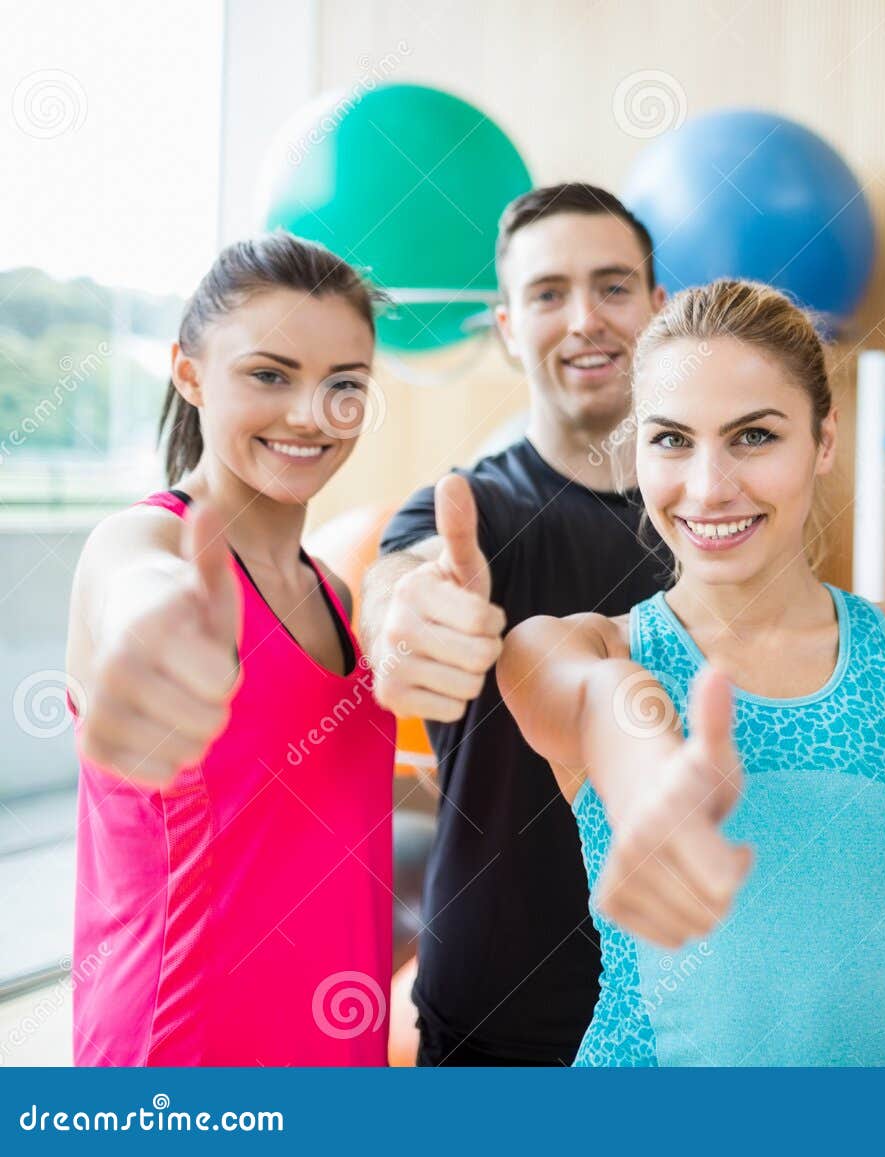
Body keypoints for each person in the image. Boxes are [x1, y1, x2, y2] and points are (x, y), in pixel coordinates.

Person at [497, 279, 885, 1065]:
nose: (709, 487)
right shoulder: (586, 649)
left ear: (825, 439)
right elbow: (594, 700)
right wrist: (644, 764)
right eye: (672, 439)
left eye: (754, 436)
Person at [362, 184, 674, 1065]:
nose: (585, 319)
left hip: (686, 1026)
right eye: (548, 294)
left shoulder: (721, 519)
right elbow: (404, 580)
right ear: (505, 324)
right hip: (494, 1029)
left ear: (657, 308)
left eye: (613, 287)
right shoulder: (477, 511)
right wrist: (407, 621)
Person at [67, 234, 396, 1065]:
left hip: (335, 1053)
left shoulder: (335, 591)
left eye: (343, 385)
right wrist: (154, 620)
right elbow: (133, 587)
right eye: (269, 374)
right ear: (188, 372)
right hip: (181, 1060)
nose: (311, 414)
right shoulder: (144, 544)